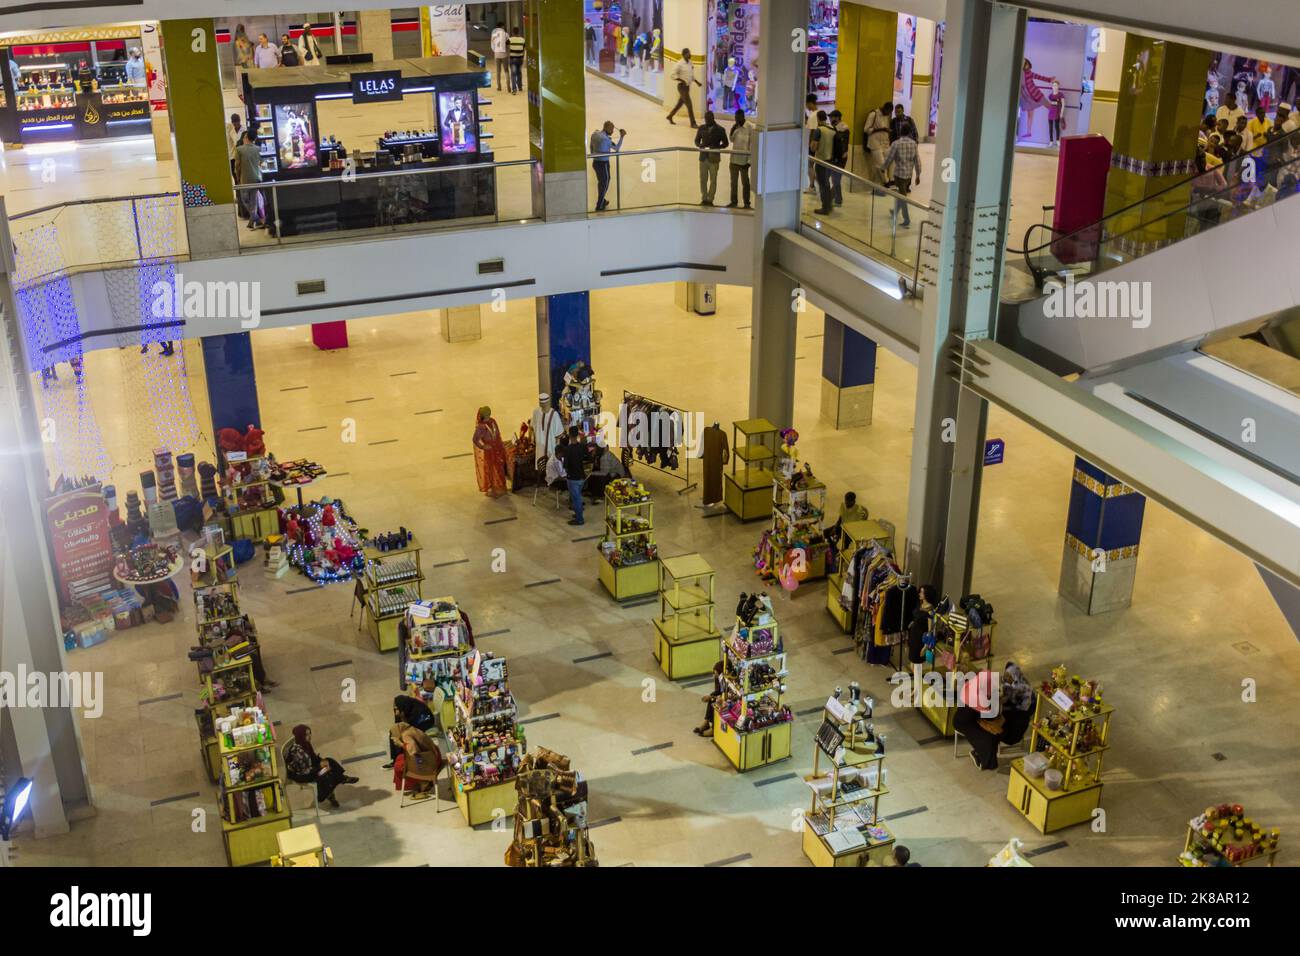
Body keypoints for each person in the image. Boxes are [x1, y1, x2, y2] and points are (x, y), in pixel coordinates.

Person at [283, 725, 357, 808]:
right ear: (301, 736)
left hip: (310, 768)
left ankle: (339, 782)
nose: (309, 736)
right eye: (307, 734)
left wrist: (322, 761)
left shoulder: (305, 743)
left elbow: (313, 757)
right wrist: (320, 767)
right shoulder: (298, 752)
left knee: (329, 761)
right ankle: (337, 785)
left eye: (309, 733)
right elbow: (305, 771)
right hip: (303, 775)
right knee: (325, 773)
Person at [882, 123, 921, 228]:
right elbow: (917, 160)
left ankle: (906, 219)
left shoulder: (896, 143)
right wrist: (918, 175)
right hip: (908, 176)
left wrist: (883, 168)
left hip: (899, 175)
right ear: (909, 132)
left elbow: (889, 158)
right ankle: (895, 211)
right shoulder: (913, 144)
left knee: (902, 196)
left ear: (900, 132)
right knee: (901, 194)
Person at [391, 723, 442, 798]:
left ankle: (423, 782)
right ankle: (423, 782)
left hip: (430, 762)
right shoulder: (412, 729)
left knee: (398, 766)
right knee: (399, 758)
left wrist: (400, 744)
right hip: (435, 755)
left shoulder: (406, 735)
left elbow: (414, 750)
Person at [384, 696, 436, 767]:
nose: (396, 713)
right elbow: (397, 724)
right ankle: (396, 758)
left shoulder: (419, 711)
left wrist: (401, 742)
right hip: (411, 723)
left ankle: (406, 757)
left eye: (397, 710)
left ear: (403, 708)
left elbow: (413, 729)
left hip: (424, 722)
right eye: (395, 709)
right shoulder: (400, 707)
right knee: (393, 732)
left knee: (405, 735)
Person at [472, 406, 508, 498]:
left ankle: (500, 486)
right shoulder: (481, 427)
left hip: (496, 449)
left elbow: (498, 433)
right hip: (489, 451)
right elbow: (475, 439)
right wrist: (483, 446)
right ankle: (492, 488)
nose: (489, 415)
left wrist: (500, 445)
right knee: (490, 469)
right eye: (487, 414)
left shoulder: (492, 421)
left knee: (499, 467)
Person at [590, 120, 626, 212]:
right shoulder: (606, 139)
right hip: (603, 164)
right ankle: (599, 204)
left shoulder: (595, 133)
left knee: (601, 182)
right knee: (605, 183)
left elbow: (591, 146)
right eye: (611, 129)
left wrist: (593, 154)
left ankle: (602, 200)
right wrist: (621, 137)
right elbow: (617, 148)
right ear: (606, 128)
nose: (613, 131)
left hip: (595, 162)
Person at [695, 110, 728, 205]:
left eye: (708, 119)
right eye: (706, 119)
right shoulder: (701, 128)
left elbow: (725, 143)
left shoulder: (720, 130)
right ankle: (704, 198)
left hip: (714, 158)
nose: (707, 121)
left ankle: (710, 199)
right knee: (703, 179)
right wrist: (700, 145)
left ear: (713, 118)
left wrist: (717, 147)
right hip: (703, 158)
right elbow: (696, 141)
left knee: (713, 180)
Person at [234, 129, 266, 229]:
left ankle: (255, 218)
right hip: (256, 178)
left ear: (246, 138)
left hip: (244, 179)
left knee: (245, 200)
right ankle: (253, 220)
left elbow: (237, 166)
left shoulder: (239, 149)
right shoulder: (257, 148)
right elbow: (261, 162)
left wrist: (238, 177)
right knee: (253, 200)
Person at [810, 110, 837, 214]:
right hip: (832, 161)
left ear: (817, 118)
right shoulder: (832, 129)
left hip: (822, 161)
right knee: (826, 183)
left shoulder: (819, 130)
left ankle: (825, 207)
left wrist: (812, 146)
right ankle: (829, 204)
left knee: (823, 184)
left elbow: (813, 147)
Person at [561, 425, 588, 526]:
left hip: (572, 478)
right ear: (577, 435)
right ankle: (578, 514)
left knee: (576, 500)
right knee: (578, 497)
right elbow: (588, 457)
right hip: (581, 476)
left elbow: (565, 465)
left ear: (569, 435)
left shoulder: (567, 450)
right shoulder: (582, 447)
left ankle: (579, 519)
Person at [667, 48, 701, 127]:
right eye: (688, 53)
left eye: (690, 53)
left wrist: (697, 82)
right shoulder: (679, 64)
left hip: (687, 87)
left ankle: (670, 116)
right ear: (684, 54)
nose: (690, 55)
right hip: (682, 87)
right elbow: (672, 75)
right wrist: (681, 80)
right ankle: (693, 123)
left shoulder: (690, 63)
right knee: (689, 105)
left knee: (680, 104)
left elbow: (691, 75)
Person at [905, 584, 938, 666]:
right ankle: (916, 677)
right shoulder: (920, 604)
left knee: (917, 663)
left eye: (922, 593)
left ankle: (918, 678)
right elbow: (918, 617)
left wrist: (925, 646)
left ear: (927, 594)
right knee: (912, 662)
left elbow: (930, 630)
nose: (919, 594)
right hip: (913, 635)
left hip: (920, 639)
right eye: (920, 592)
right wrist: (913, 622)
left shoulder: (930, 610)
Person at [727, 108, 754, 208]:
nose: (736, 119)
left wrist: (749, 161)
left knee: (745, 183)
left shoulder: (750, 127)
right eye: (735, 117)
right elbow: (731, 140)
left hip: (744, 162)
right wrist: (733, 129)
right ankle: (733, 201)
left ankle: (747, 203)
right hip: (734, 159)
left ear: (743, 117)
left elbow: (752, 144)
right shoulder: (736, 127)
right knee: (733, 183)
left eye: (737, 117)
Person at [864, 100, 893, 185]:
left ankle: (891, 180)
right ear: (885, 108)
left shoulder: (887, 116)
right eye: (888, 112)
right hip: (875, 143)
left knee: (890, 161)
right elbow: (866, 129)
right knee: (881, 164)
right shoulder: (874, 114)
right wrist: (881, 129)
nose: (888, 114)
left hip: (885, 143)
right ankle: (886, 182)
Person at [693, 661, 725, 736]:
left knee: (714, 701)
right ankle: (706, 722)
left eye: (715, 673)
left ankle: (713, 729)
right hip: (721, 696)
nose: (714, 676)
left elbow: (726, 695)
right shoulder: (718, 679)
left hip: (727, 698)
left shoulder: (725, 681)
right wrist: (712, 697)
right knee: (712, 697)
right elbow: (718, 692)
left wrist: (713, 698)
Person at [828, 109, 851, 205]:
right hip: (836, 156)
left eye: (831, 117)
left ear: (837, 118)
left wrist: (844, 152)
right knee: (835, 179)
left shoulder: (843, 128)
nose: (830, 119)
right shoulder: (836, 127)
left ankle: (837, 199)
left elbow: (843, 143)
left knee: (836, 179)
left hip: (840, 157)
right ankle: (834, 197)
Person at [805, 92, 820, 191]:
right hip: (817, 145)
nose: (806, 106)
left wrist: (810, 146)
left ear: (810, 103)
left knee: (809, 166)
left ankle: (812, 186)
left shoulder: (813, 115)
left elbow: (813, 131)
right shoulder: (819, 112)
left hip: (813, 145)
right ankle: (812, 185)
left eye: (806, 104)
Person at [491, 23, 509, 91]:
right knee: (506, 70)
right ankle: (508, 85)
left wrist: (495, 51)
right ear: (502, 26)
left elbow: (492, 45)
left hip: (497, 54)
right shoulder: (506, 34)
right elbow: (508, 44)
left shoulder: (494, 35)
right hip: (504, 54)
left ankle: (499, 86)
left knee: (498, 71)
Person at [226, 112, 244, 181]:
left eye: (237, 123)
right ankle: (238, 191)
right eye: (234, 123)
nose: (236, 125)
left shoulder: (244, 130)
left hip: (241, 156)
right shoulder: (230, 129)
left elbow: (237, 142)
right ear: (232, 123)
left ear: (240, 121)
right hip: (232, 156)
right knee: (235, 176)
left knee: (242, 176)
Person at [507, 27, 525, 95]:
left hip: (513, 59)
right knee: (519, 72)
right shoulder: (523, 40)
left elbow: (506, 47)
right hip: (520, 58)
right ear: (518, 32)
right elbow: (523, 49)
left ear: (513, 32)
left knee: (513, 74)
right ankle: (520, 87)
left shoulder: (510, 39)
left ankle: (514, 89)